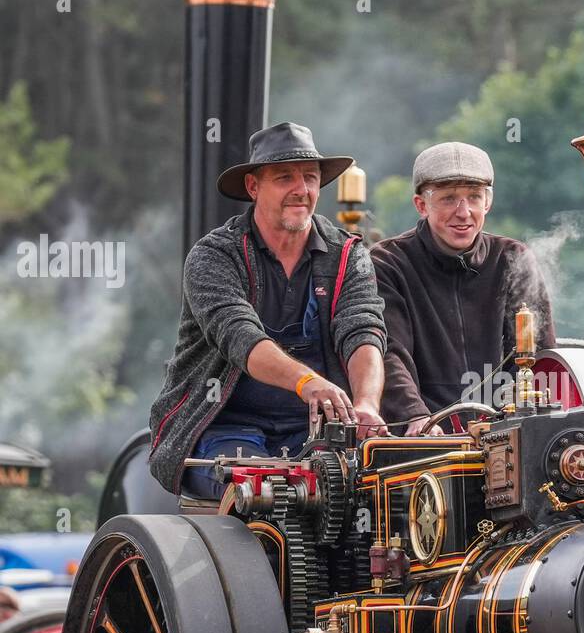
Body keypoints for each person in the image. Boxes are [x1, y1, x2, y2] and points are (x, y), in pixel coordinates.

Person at [149, 122, 388, 499]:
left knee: (378, 494)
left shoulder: (349, 254)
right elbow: (239, 334)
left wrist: (366, 405)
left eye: (310, 178)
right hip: (222, 426)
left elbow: (363, 330)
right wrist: (307, 382)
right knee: (262, 493)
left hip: (315, 433)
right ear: (253, 187)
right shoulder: (214, 255)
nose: (301, 190)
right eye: (284, 177)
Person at [371, 142, 555, 434]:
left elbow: (541, 355)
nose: (463, 212)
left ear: (488, 203)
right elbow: (388, 351)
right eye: (448, 199)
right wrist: (415, 416)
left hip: (505, 434)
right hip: (424, 439)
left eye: (473, 197)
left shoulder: (513, 259)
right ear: (421, 205)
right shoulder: (388, 263)